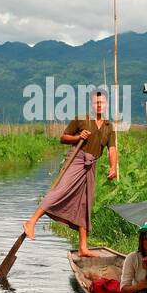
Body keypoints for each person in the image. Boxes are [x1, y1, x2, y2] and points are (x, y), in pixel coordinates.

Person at [22, 89, 118, 258]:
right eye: (96, 102)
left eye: (102, 102)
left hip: (91, 165)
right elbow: (63, 137)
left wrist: (113, 167)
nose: (99, 105)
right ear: (91, 104)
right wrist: (78, 137)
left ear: (106, 104)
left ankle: (83, 247)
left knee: (84, 203)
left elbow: (112, 150)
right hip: (76, 160)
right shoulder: (81, 119)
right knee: (59, 191)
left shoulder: (109, 127)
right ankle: (31, 222)